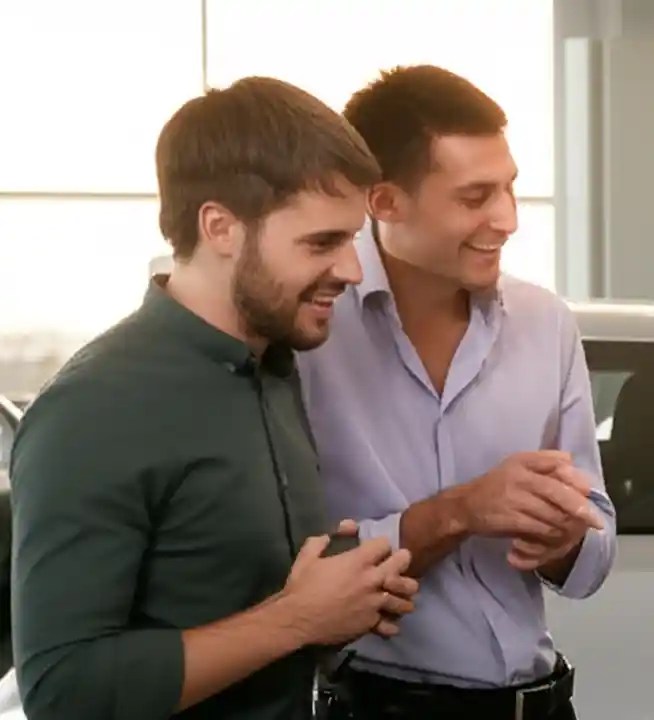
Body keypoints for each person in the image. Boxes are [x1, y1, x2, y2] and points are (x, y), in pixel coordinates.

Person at [9, 76, 421, 720]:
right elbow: (64, 690)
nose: (352, 270)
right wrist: (296, 619)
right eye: (322, 243)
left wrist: (343, 597)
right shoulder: (93, 410)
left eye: (351, 240)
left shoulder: (279, 370)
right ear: (220, 227)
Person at [296, 65, 617, 720]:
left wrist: (562, 539)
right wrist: (462, 511)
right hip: (376, 706)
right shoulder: (309, 336)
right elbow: (295, 573)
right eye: (475, 198)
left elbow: (595, 547)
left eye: (510, 189)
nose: (507, 219)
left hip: (544, 703)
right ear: (384, 203)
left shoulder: (546, 323)